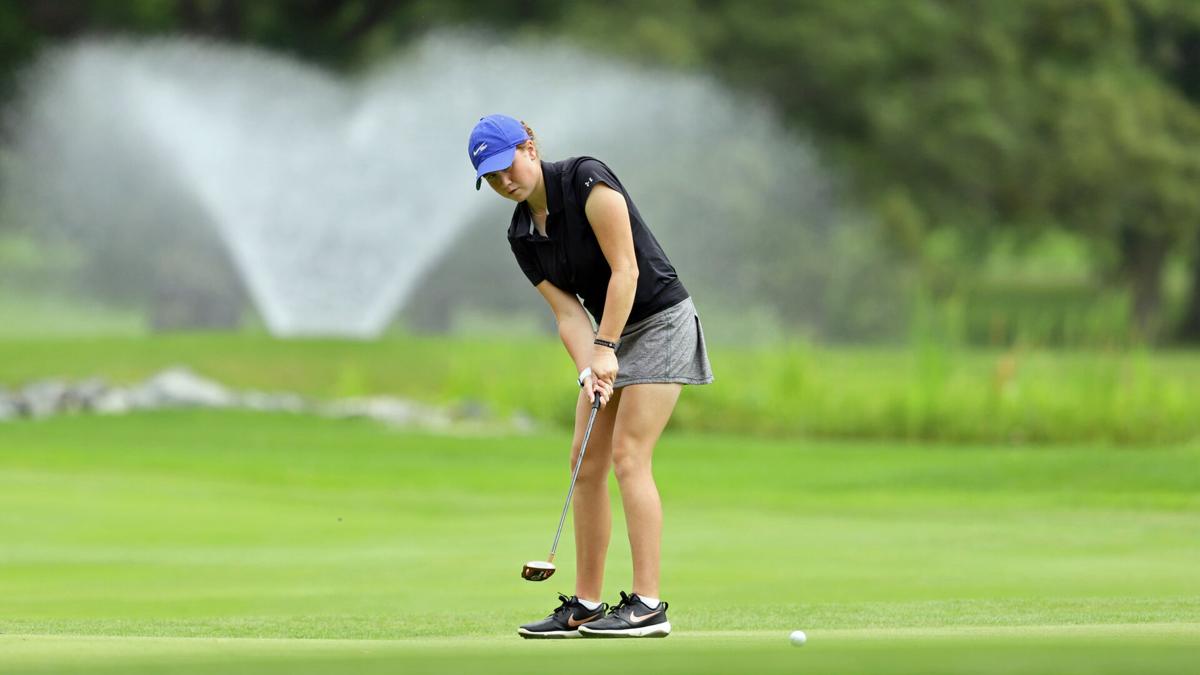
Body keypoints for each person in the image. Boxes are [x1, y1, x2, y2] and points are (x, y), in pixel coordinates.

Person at [468, 114, 714, 639]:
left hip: (659, 320)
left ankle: (648, 605)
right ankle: (585, 603)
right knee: (584, 460)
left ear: (529, 147)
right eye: (490, 177)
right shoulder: (521, 235)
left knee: (629, 455)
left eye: (506, 165)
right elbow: (566, 314)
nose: (504, 181)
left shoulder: (587, 181)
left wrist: (606, 348)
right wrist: (589, 367)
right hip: (607, 331)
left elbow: (625, 269)